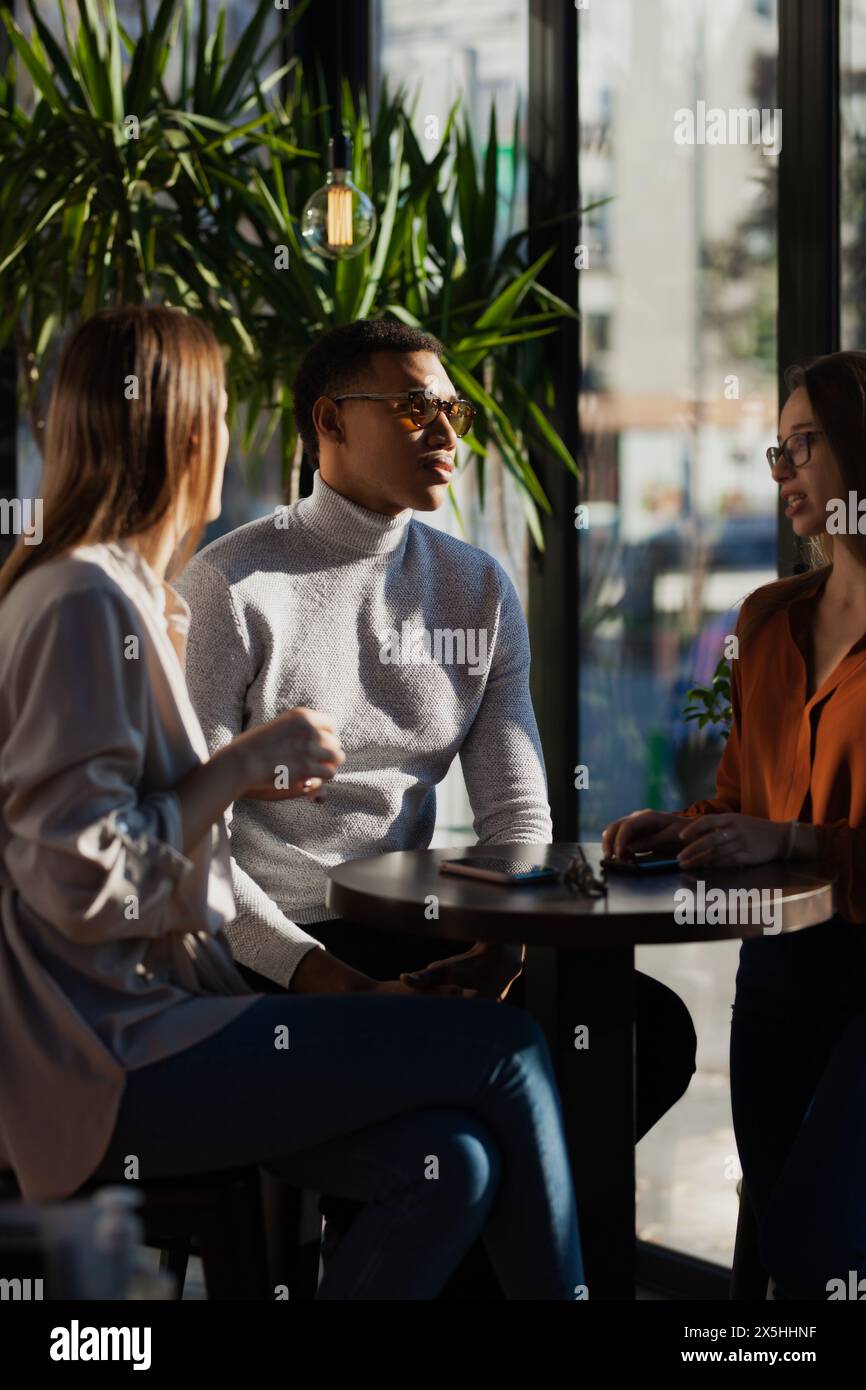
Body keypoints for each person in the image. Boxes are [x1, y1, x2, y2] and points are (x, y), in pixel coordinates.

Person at [0, 304, 584, 1300]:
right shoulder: (93, 600)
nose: (443, 432)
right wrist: (236, 772)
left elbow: (513, 790)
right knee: (509, 1049)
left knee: (451, 1164)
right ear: (188, 429)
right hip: (115, 1048)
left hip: (171, 1013)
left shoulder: (125, 595)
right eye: (219, 410)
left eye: (450, 411)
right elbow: (79, 879)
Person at [177, 317, 696, 1293]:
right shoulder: (233, 583)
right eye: (413, 408)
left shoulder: (473, 585)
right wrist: (321, 976)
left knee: (645, 1028)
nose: (446, 432)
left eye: (451, 409)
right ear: (329, 421)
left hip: (409, 932)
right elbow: (193, 847)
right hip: (263, 955)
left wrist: (504, 953)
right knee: (457, 1117)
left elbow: (514, 811)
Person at [603, 349, 866, 1301]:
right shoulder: (767, 619)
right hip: (783, 969)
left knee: (818, 1232)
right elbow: (743, 803)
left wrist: (790, 843)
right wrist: (684, 829)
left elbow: (780, 832)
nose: (784, 468)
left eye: (808, 443)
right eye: (778, 447)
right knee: (779, 1219)